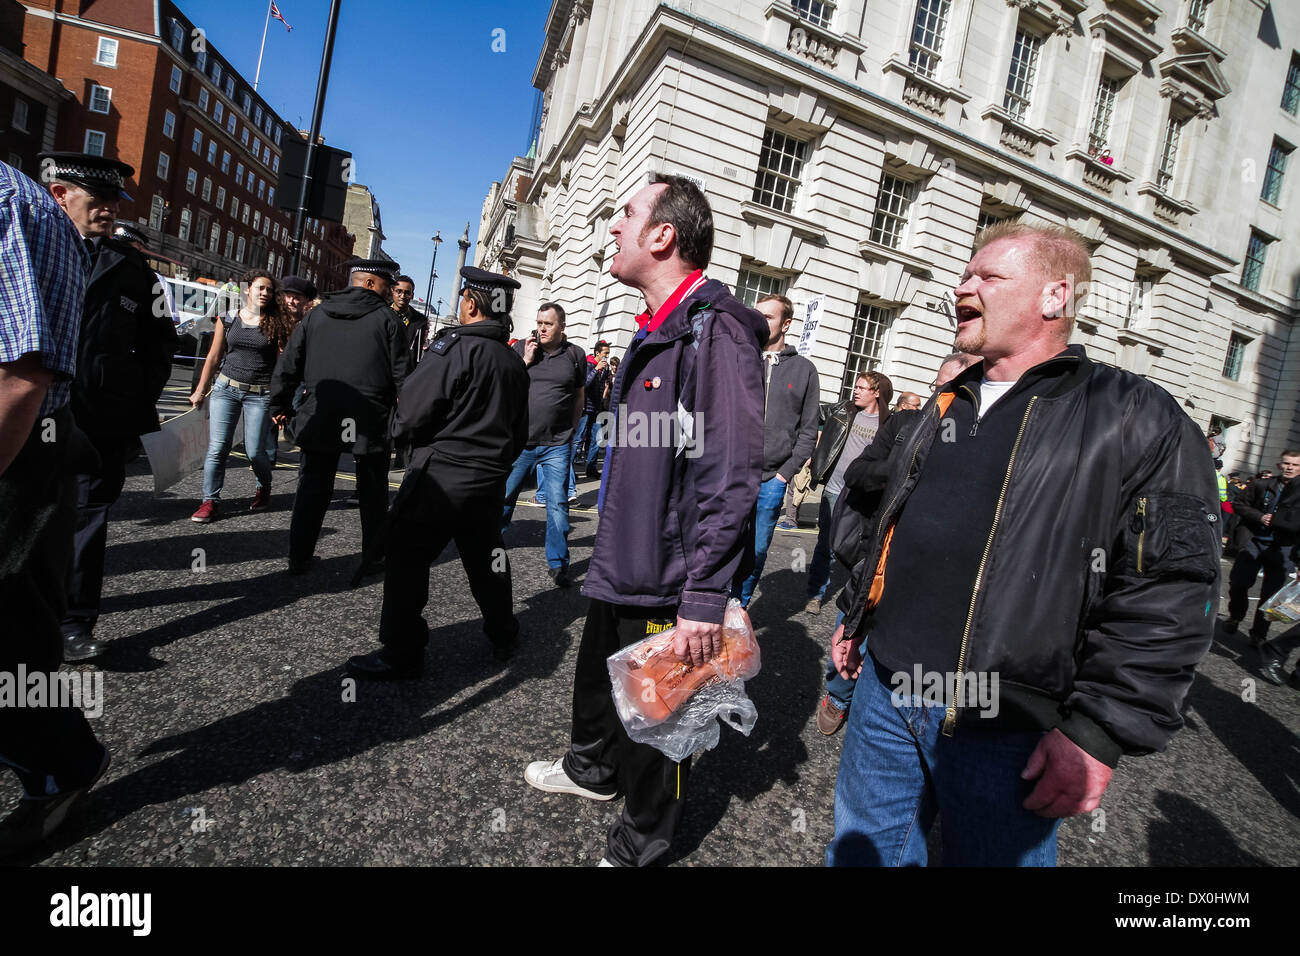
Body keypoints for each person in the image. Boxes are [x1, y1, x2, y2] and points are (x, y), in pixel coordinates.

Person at [826, 222, 1219, 866]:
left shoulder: (1134, 415)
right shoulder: (947, 403)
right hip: (886, 692)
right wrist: (857, 615)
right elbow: (892, 526)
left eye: (989, 277)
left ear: (1055, 297)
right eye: (965, 274)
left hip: (1005, 724)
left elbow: (1173, 588)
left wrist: (1098, 732)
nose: (964, 286)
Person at [524, 173, 767, 867]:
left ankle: (642, 845)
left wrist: (702, 598)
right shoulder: (656, 329)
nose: (612, 226)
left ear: (663, 235)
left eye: (626, 214)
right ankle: (592, 771)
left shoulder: (715, 330)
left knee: (665, 724)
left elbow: (729, 473)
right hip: (622, 560)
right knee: (598, 690)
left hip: (670, 578)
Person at [0, 160, 110, 857]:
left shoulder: (11, 203)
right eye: (98, 201)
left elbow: (23, 371)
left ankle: (60, 763)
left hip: (26, 441)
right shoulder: (40, 214)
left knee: (12, 621)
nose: (107, 212)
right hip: (43, 438)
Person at [345, 267, 530, 679]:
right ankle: (504, 633)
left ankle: (403, 651)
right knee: (488, 563)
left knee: (407, 562)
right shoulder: (513, 362)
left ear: (469, 303)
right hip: (486, 482)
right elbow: (520, 433)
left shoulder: (454, 349)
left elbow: (412, 410)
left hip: (440, 478)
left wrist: (400, 437)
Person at [42, 152, 177, 663]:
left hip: (99, 417)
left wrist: (134, 393)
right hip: (32, 409)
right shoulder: (28, 246)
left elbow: (160, 342)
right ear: (61, 196)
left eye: (113, 204)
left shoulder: (135, 271)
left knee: (88, 516)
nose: (109, 212)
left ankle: (74, 622)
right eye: (98, 202)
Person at [815, 352, 976, 736]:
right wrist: (906, 467)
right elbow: (858, 472)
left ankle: (885, 703)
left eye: (961, 391)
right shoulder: (905, 423)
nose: (947, 397)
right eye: (943, 386)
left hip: (933, 566)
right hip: (878, 552)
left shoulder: (981, 439)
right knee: (852, 623)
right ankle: (838, 694)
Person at [269, 258, 408, 577]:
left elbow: (289, 363)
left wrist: (280, 405)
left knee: (313, 487)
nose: (391, 292)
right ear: (372, 283)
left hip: (320, 412)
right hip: (370, 418)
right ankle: (372, 556)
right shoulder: (389, 320)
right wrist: (406, 421)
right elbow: (404, 379)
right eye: (387, 285)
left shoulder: (316, 315)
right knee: (373, 491)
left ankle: (299, 556)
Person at [732, 293, 819, 609]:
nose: (760, 321)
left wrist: (786, 473)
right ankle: (713, 604)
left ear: (786, 323)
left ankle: (738, 608)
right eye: (757, 314)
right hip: (733, 472)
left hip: (773, 478)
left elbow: (809, 429)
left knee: (755, 550)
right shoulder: (741, 357)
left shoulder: (805, 370)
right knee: (723, 542)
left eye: (768, 316)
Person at [188, 270, 295, 521]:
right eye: (260, 288)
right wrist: (200, 390)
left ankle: (264, 485)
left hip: (259, 395)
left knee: (255, 451)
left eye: (269, 290)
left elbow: (282, 366)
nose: (265, 293)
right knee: (217, 448)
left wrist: (281, 403)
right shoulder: (227, 318)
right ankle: (210, 501)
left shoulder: (277, 324)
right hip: (226, 389)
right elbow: (213, 357)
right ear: (248, 289)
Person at [501, 302, 586, 586]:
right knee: (503, 498)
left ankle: (559, 563)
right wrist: (524, 360)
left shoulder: (575, 355)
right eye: (539, 322)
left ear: (562, 327)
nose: (541, 328)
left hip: (557, 445)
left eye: (547, 324)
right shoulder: (522, 349)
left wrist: (573, 430)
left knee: (558, 505)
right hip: (521, 442)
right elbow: (504, 385)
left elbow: (579, 397)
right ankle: (487, 548)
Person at [803, 370, 892, 614]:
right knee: (826, 544)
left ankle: (856, 594)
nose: (856, 391)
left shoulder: (888, 423)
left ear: (876, 393)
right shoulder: (843, 410)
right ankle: (815, 594)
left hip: (864, 495)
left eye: (862, 388)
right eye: (857, 387)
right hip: (834, 490)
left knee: (859, 546)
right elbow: (811, 411)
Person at [1223, 451, 1300, 646]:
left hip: (1283, 548)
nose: (1290, 468)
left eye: (1295, 465)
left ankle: (1259, 634)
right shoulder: (1261, 485)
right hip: (1255, 541)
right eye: (1287, 463)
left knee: (1270, 594)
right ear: (1279, 465)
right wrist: (1259, 516)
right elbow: (1238, 504)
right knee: (1239, 582)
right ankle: (1235, 615)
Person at [389, 274, 427, 470]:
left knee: (404, 420)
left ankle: (401, 461)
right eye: (399, 291)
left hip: (406, 378)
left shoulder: (419, 320)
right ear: (392, 292)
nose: (403, 296)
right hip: (383, 377)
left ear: (412, 295)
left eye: (407, 292)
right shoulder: (382, 313)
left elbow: (418, 355)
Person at [574, 340, 612, 481]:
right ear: (597, 353)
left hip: (596, 408)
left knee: (596, 439)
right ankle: (570, 470)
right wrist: (596, 370)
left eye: (608, 353)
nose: (607, 356)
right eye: (605, 353)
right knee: (578, 440)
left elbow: (602, 388)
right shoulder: (589, 364)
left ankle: (591, 468)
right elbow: (584, 385)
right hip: (585, 408)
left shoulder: (604, 368)